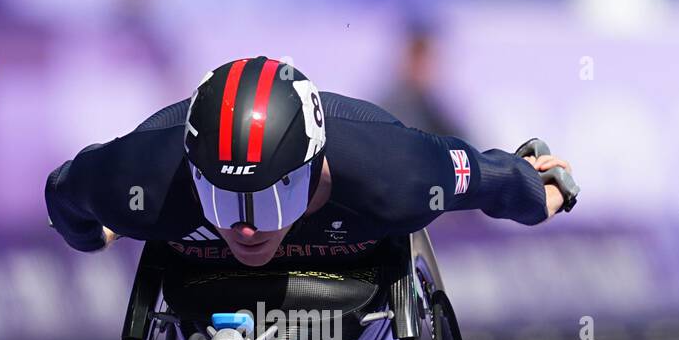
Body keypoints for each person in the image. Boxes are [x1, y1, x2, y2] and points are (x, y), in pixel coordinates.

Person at [45, 56, 574, 268]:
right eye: (225, 196)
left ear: (312, 166)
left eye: (271, 194)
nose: (247, 225)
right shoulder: (141, 175)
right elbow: (64, 192)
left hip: (358, 156)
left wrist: (540, 193)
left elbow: (486, 175)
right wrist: (99, 236)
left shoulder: (397, 174)